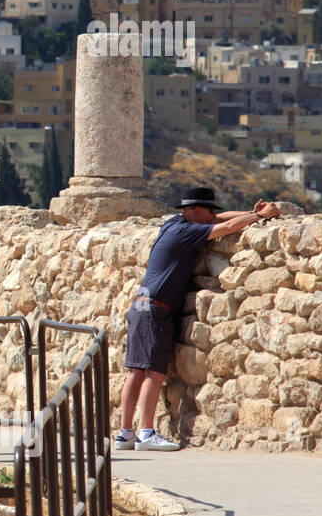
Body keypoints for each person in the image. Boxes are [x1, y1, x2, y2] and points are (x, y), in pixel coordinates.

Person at [119, 187, 280, 452]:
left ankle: (125, 434)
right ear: (195, 210)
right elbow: (225, 227)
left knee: (135, 371)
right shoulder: (187, 232)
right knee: (153, 372)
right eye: (208, 210)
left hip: (141, 305)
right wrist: (255, 217)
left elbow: (220, 219)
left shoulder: (175, 224)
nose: (212, 215)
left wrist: (254, 212)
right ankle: (146, 433)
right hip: (157, 310)